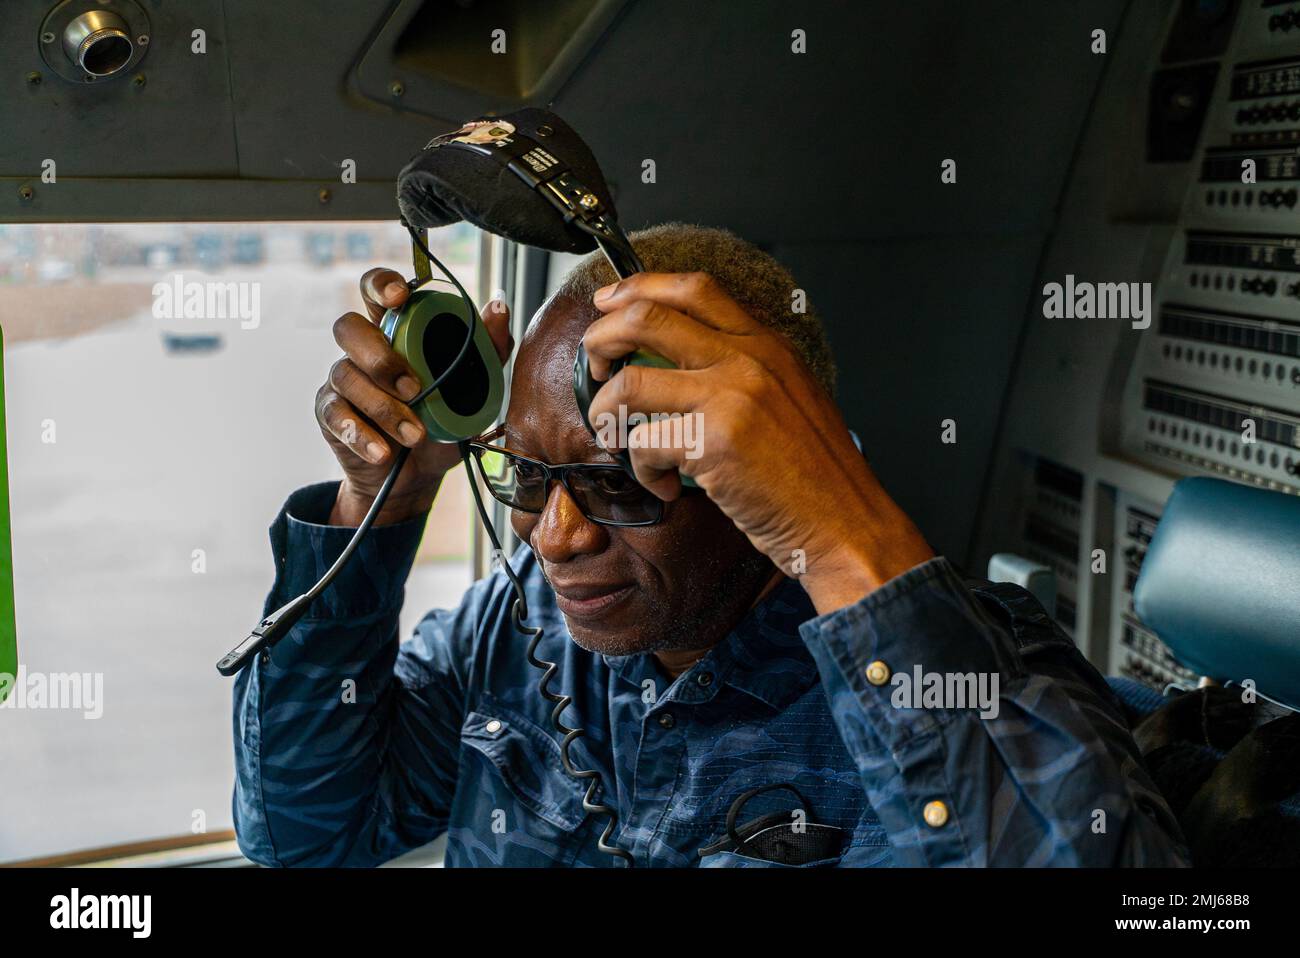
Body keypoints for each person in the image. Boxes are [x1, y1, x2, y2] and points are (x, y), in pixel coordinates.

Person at [231, 222, 1188, 867]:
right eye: (525, 476)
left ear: (757, 465)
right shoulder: (514, 623)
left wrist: (842, 536)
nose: (555, 538)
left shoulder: (975, 675)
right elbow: (306, 834)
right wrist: (378, 505)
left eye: (613, 483)